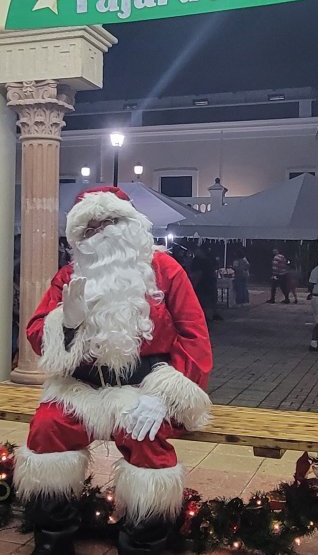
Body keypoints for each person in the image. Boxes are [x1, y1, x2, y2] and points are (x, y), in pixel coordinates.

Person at [16, 186, 212, 555]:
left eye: (111, 222)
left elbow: (194, 334)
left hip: (145, 387)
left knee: (147, 443)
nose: (102, 232)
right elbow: (37, 334)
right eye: (91, 227)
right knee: (46, 430)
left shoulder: (165, 270)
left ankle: (143, 546)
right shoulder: (69, 277)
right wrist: (66, 322)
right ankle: (53, 543)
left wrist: (167, 394)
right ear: (79, 237)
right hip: (80, 387)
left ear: (131, 224)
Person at [190, 246, 222, 322]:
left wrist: (193, 284)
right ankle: (207, 317)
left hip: (204, 284)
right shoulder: (207, 260)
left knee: (205, 301)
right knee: (207, 301)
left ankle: (206, 318)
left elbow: (198, 274)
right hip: (208, 284)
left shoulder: (199, 261)